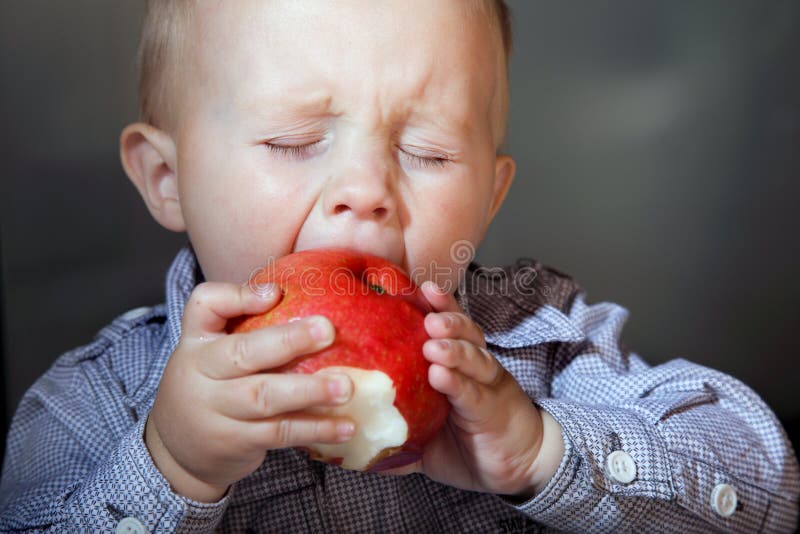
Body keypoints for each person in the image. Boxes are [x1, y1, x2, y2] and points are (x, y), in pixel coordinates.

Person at [2, 1, 798, 531]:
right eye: (291, 141)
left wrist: (541, 453)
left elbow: (765, 487)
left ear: (490, 195)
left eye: (429, 152)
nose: (365, 193)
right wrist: (171, 465)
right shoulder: (102, 399)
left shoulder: (533, 343)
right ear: (167, 180)